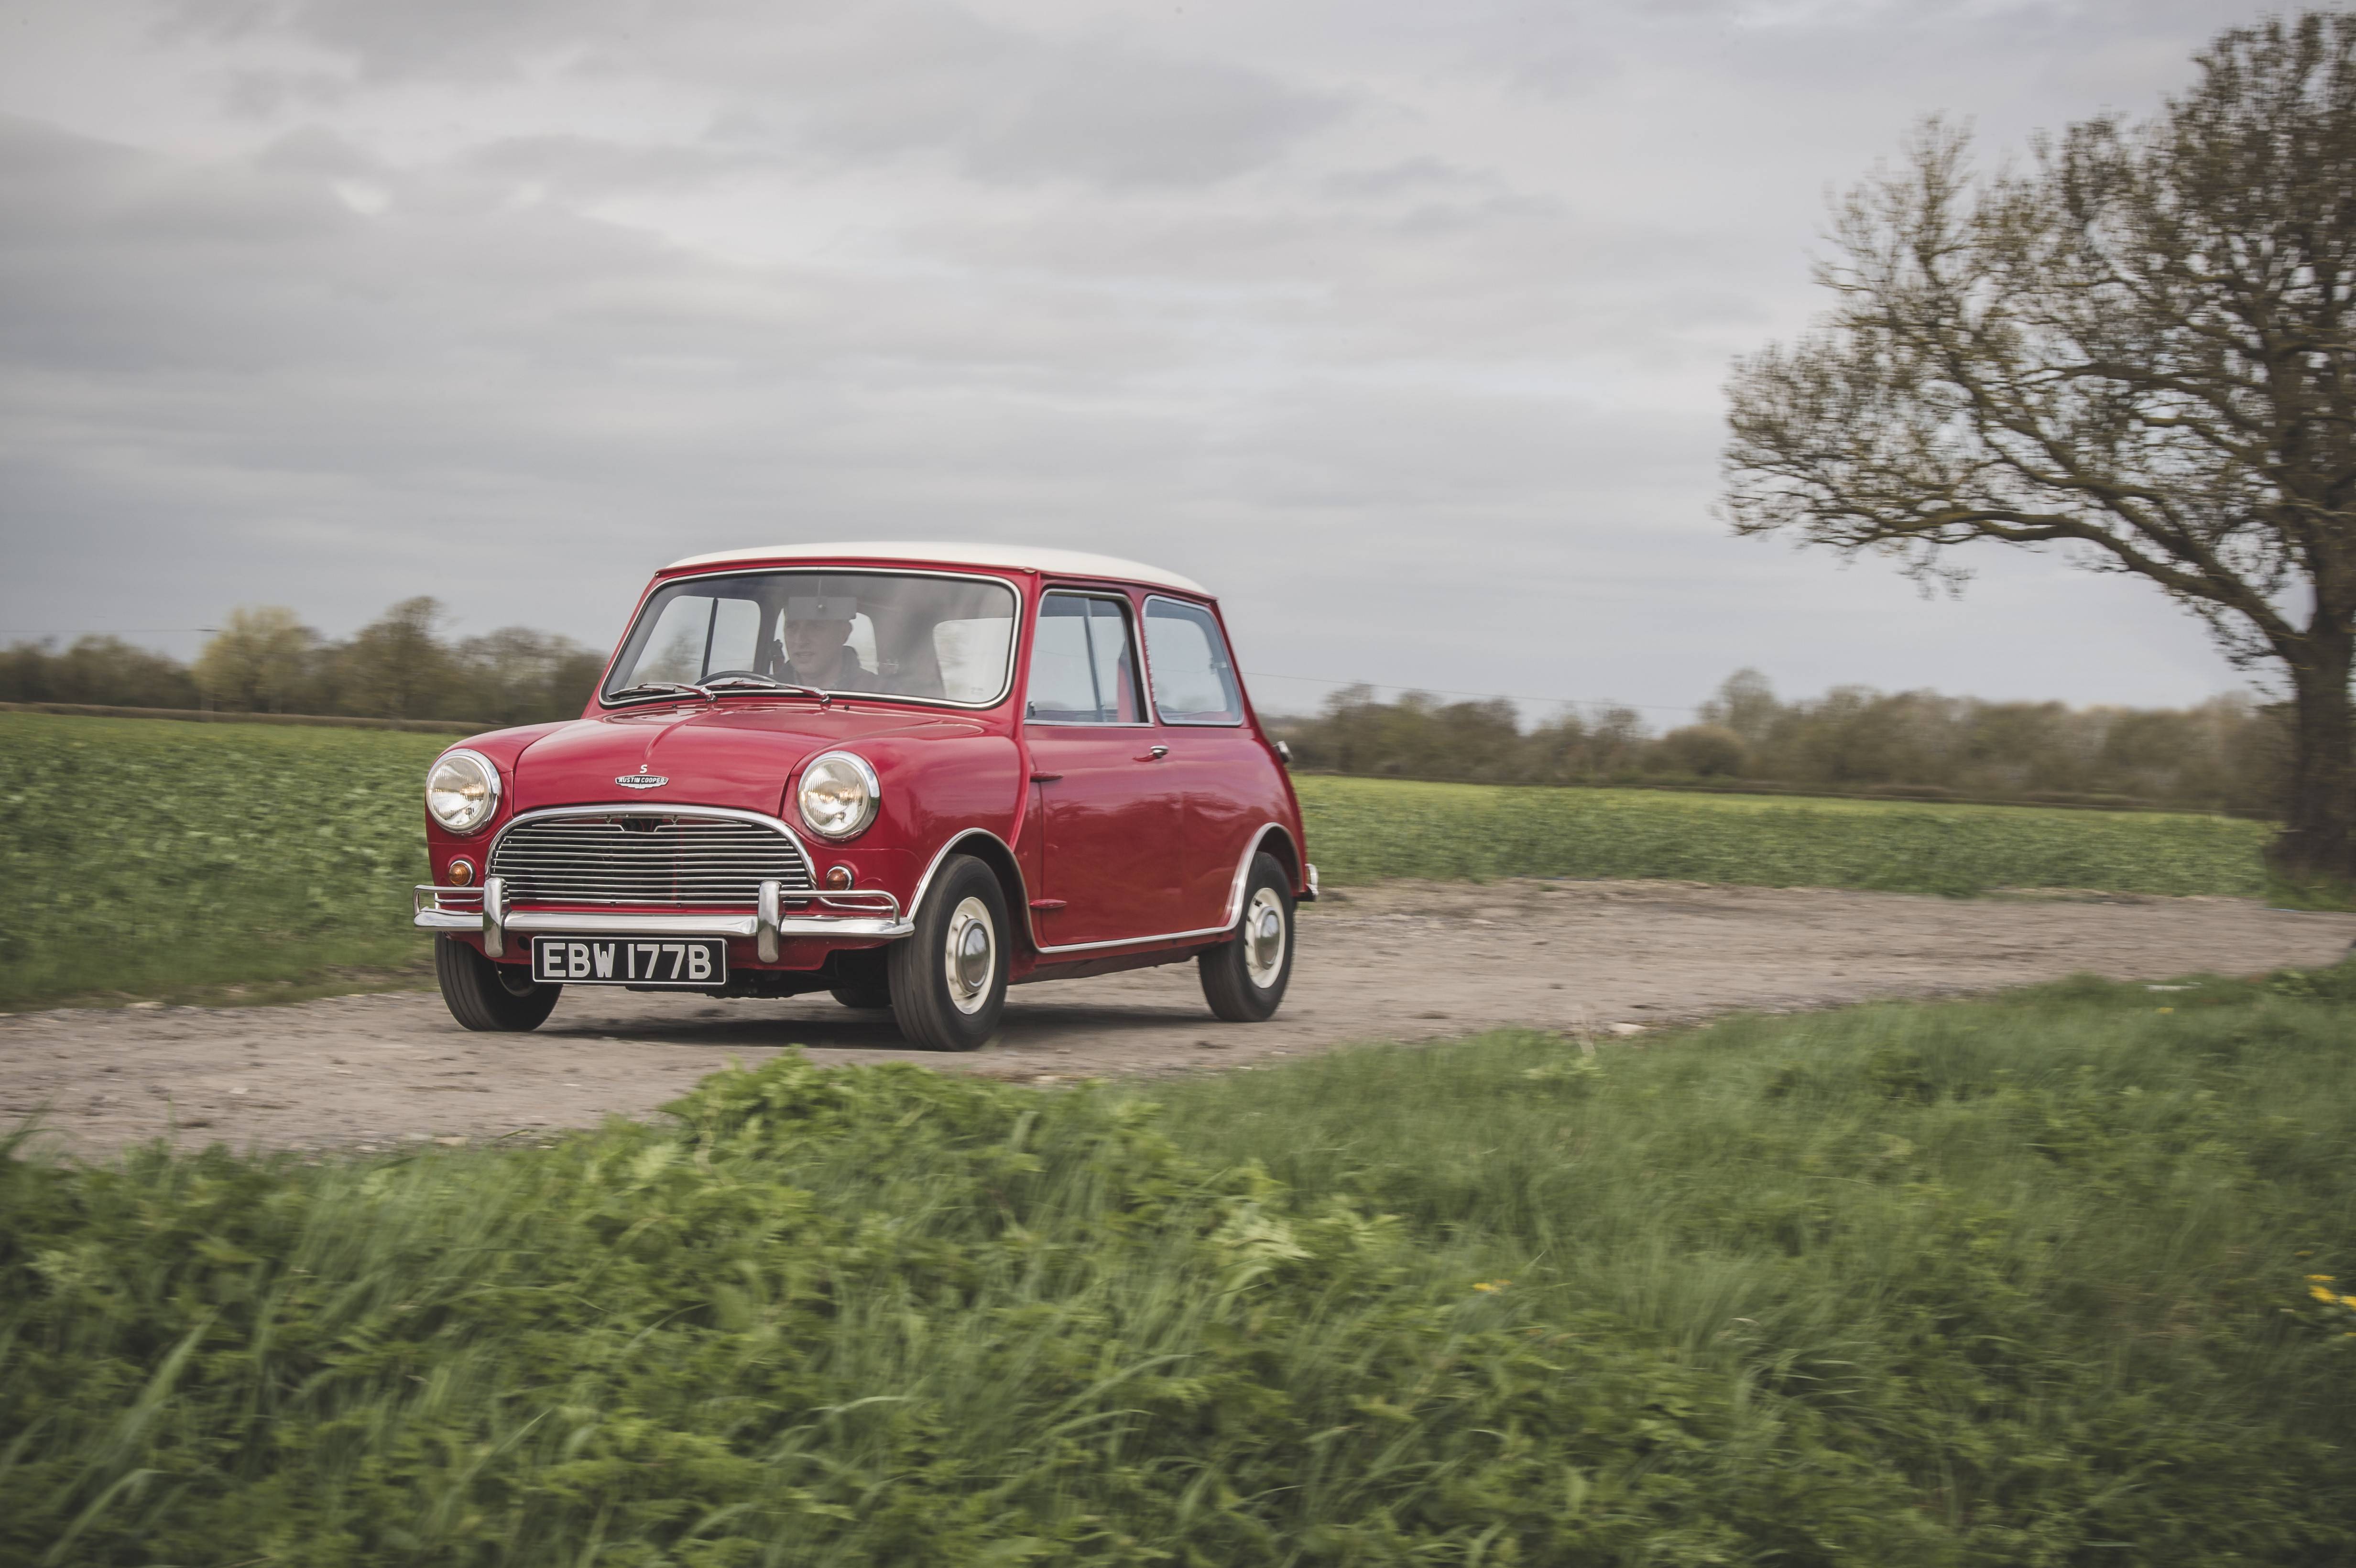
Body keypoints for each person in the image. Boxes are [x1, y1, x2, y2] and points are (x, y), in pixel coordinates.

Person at [769, 593, 883, 692]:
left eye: (815, 627)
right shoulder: (767, 690)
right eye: (792, 626)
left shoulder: (880, 692)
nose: (800, 640)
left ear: (843, 633)